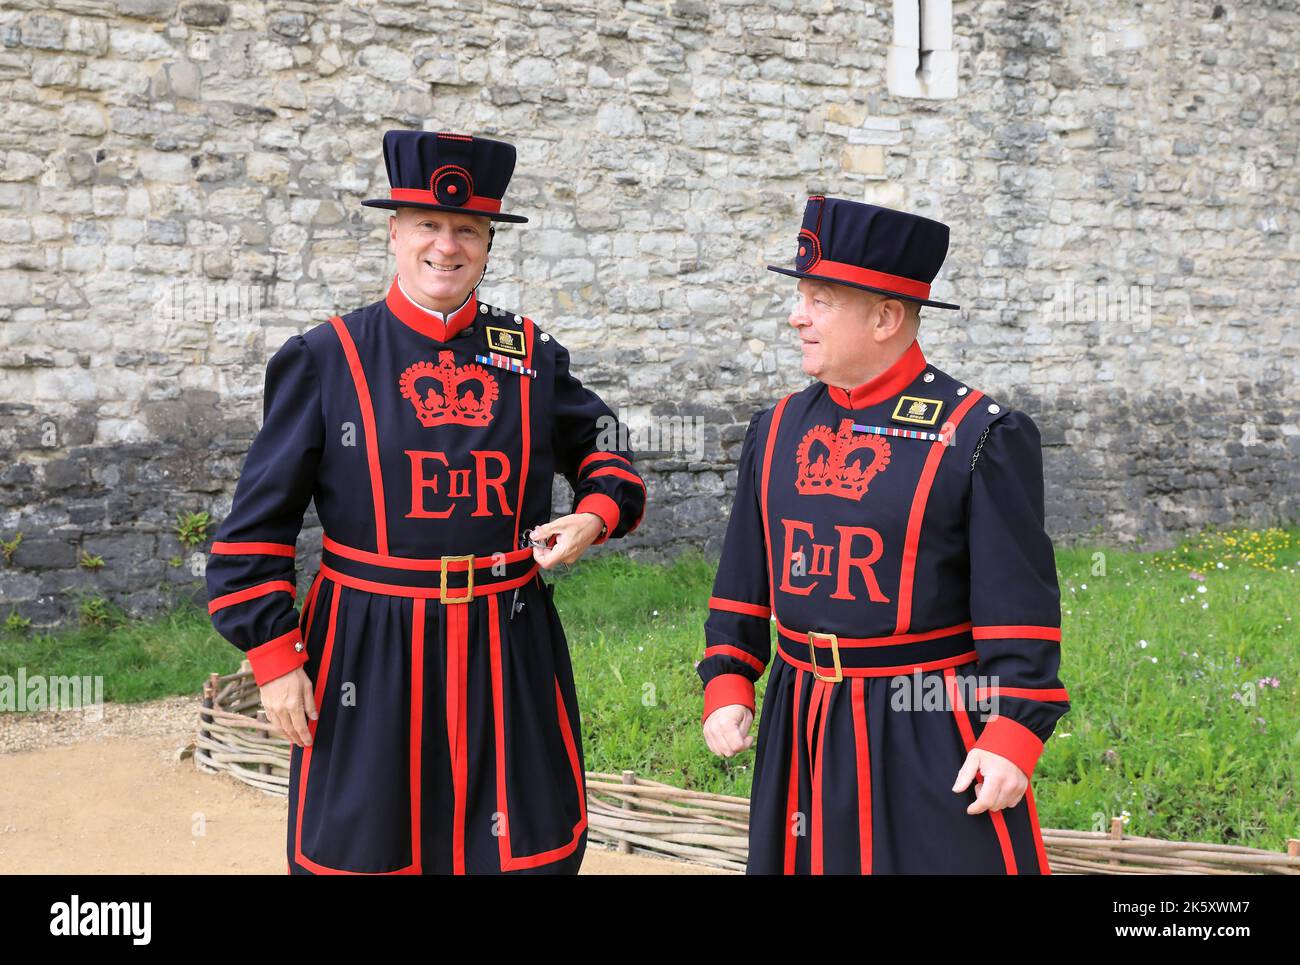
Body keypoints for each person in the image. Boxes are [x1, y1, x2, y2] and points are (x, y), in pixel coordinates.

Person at [205, 128, 646, 874]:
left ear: (487, 245)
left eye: (467, 230)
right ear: (394, 233)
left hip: (507, 637)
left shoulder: (527, 354)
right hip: (368, 645)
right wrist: (276, 656)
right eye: (429, 227)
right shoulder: (326, 358)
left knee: (519, 847)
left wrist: (595, 513)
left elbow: (603, 445)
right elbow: (256, 528)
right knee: (367, 850)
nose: (447, 246)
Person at [697, 196, 1070, 874]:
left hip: (925, 725)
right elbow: (743, 576)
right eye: (801, 296)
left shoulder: (979, 435)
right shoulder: (776, 429)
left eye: (820, 299)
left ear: (885, 316)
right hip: (799, 716)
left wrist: (1014, 731)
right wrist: (728, 678)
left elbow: (1021, 608)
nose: (796, 315)